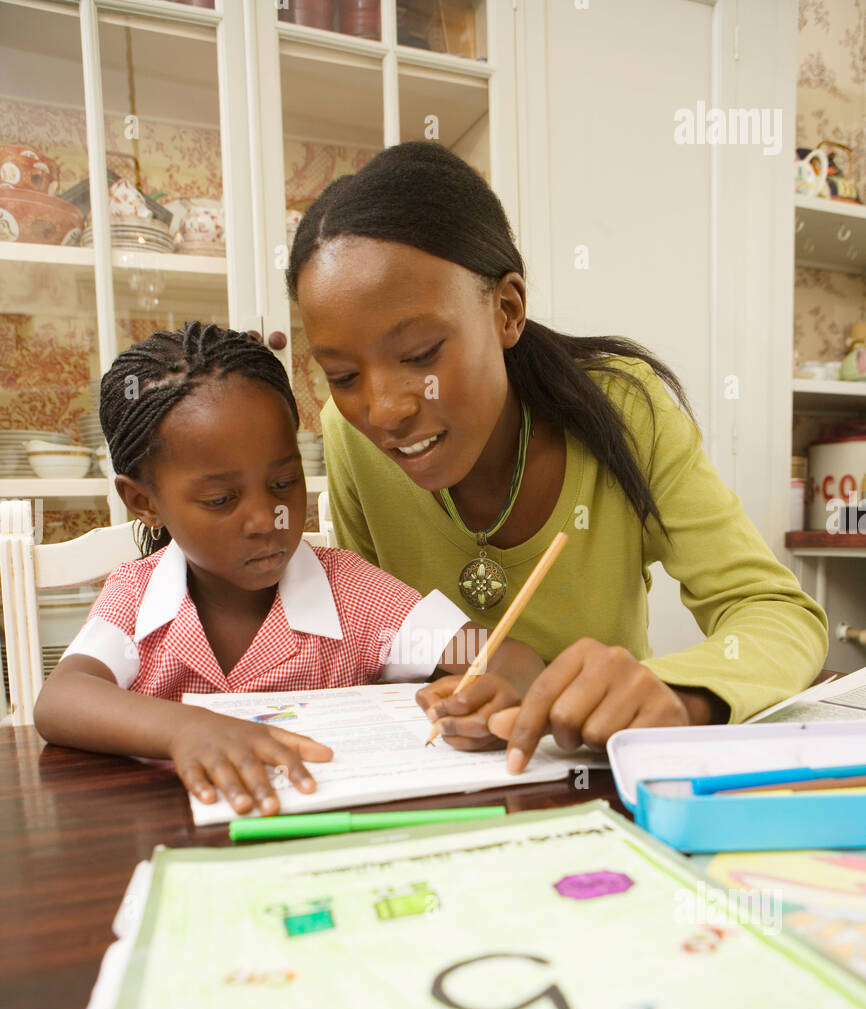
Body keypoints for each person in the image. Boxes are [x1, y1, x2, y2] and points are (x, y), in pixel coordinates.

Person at [288, 141, 828, 772]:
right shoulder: (350, 438)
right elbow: (375, 630)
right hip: (450, 784)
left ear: (507, 310)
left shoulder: (628, 410)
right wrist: (464, 684)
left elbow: (774, 611)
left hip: (606, 781)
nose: (384, 410)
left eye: (420, 354)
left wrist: (681, 697)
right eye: (344, 375)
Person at [33, 323, 543, 814]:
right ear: (143, 501)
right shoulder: (137, 597)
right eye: (221, 498)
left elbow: (504, 657)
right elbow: (61, 700)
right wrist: (185, 728)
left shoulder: (355, 596)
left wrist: (503, 687)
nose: (265, 519)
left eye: (283, 483)